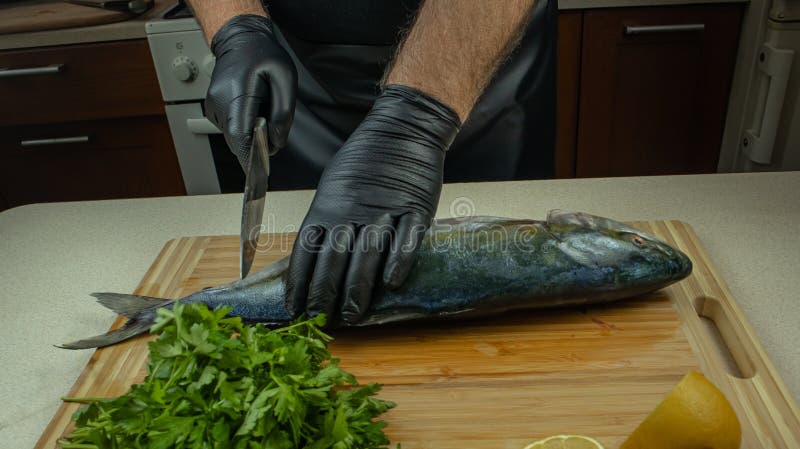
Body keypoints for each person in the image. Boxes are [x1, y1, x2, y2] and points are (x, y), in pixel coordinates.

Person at [187, 0, 556, 326]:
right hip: (303, 75)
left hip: (472, 59)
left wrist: (418, 119)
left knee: (507, 266)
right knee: (321, 267)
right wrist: (236, 25)